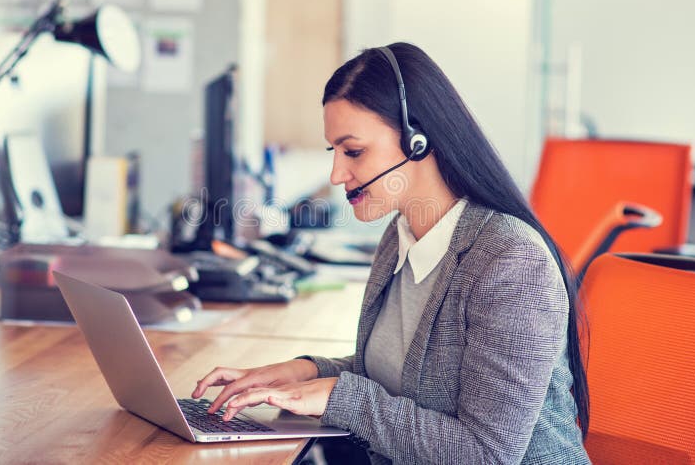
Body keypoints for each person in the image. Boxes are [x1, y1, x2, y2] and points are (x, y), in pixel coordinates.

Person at [193, 43, 590, 464]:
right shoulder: (401, 234)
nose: (336, 175)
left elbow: (486, 454)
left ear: (418, 141)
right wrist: (306, 371)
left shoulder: (511, 263)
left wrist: (340, 397)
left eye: (355, 151)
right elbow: (403, 379)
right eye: (336, 152)